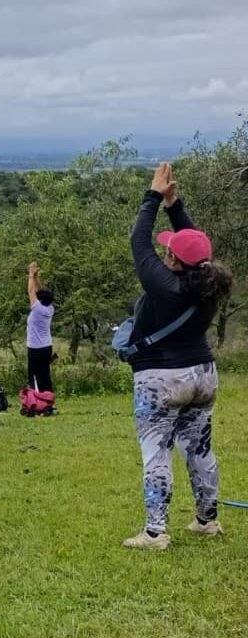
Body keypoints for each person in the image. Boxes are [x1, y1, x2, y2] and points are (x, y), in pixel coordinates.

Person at [122, 162, 234, 550]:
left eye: (168, 251)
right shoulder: (209, 282)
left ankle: (155, 532)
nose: (163, 252)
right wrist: (175, 205)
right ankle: (207, 520)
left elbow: (138, 240)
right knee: (199, 448)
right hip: (202, 374)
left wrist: (153, 196)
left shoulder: (165, 286)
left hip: (161, 379)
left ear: (172, 260)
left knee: (157, 452)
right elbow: (196, 244)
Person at [26, 262, 56, 393]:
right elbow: (41, 291)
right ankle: (48, 398)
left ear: (40, 300)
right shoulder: (50, 309)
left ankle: (38, 399)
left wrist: (30, 275)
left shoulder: (37, 308)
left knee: (34, 375)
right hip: (47, 347)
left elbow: (31, 291)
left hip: (35, 348)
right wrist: (36, 277)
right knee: (45, 374)